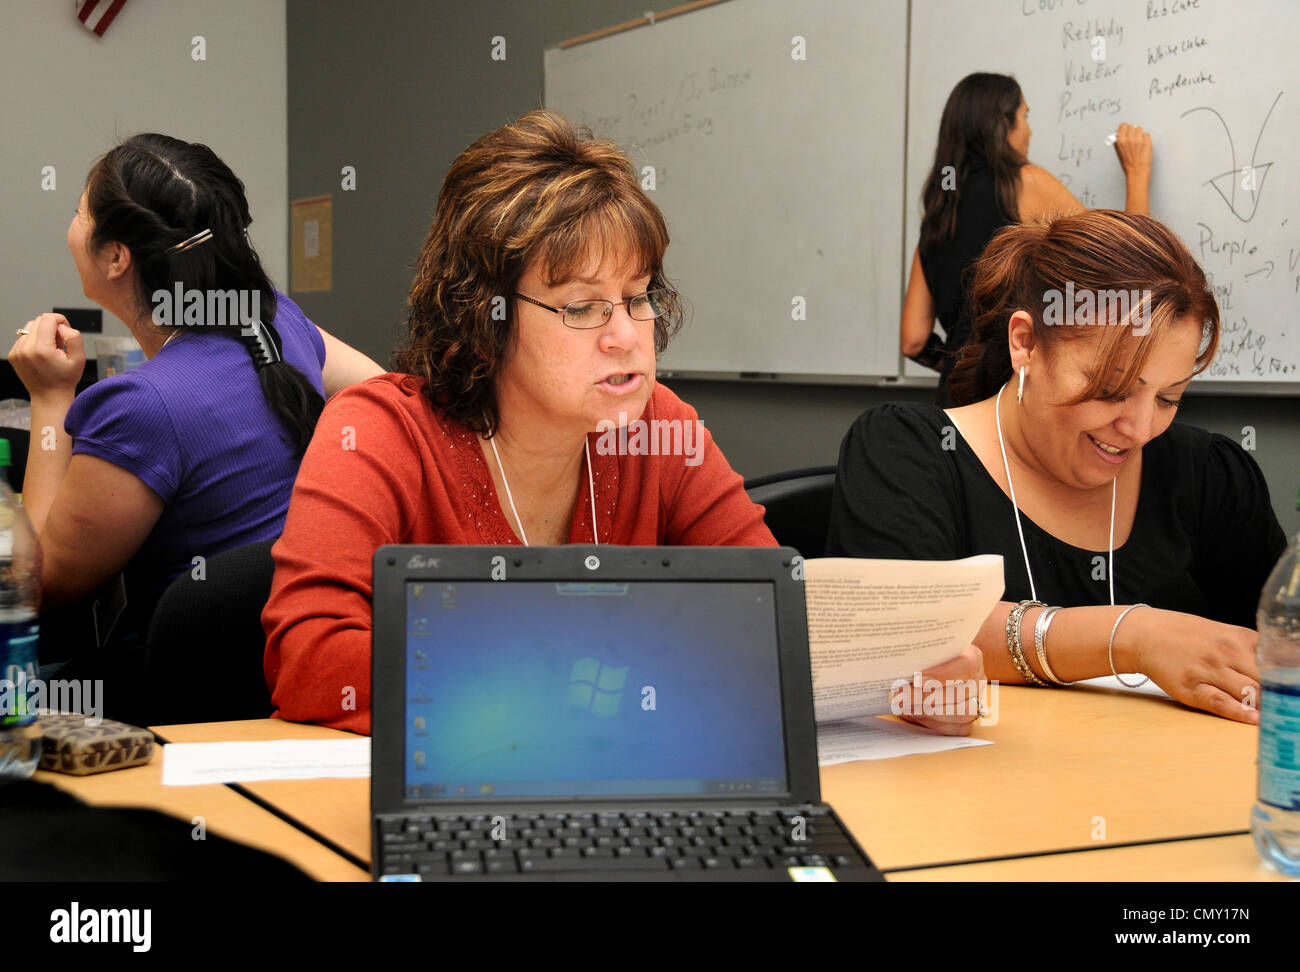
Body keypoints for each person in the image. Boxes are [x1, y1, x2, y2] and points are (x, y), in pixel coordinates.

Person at [261, 109, 983, 736]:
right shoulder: (380, 433)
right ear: (486, 318)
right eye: (582, 307)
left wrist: (895, 667)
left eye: (638, 297)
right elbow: (314, 661)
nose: (627, 335)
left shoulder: (657, 428)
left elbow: (771, 605)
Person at [830, 209, 1286, 725]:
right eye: (1112, 389)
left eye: (1168, 398)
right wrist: (1132, 636)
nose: (1137, 429)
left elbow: (1282, 639)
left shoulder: (1209, 476)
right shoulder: (908, 451)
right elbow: (901, 629)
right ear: (1025, 343)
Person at [9, 133, 381, 715]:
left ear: (116, 257)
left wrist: (51, 398)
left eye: (80, 211)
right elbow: (381, 396)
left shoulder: (140, 406)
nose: (72, 224)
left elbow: (38, 586)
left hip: (185, 698)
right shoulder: (274, 317)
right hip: (292, 667)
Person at [901, 73, 1153, 403]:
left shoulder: (938, 216)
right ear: (1002, 124)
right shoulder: (1022, 184)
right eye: (1025, 116)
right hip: (1011, 398)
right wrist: (1136, 174)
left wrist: (958, 363)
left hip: (954, 406)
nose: (1030, 130)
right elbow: (1130, 257)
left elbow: (913, 340)